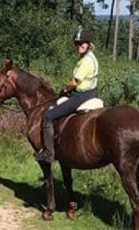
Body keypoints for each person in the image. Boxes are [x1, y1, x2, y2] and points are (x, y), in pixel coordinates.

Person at [34, 28, 99, 163]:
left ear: (89, 44)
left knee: (48, 116)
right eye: (77, 43)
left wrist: (64, 89)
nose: (79, 46)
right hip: (88, 93)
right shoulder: (88, 58)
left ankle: (48, 153)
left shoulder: (87, 60)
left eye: (82, 43)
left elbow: (74, 82)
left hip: (82, 96)